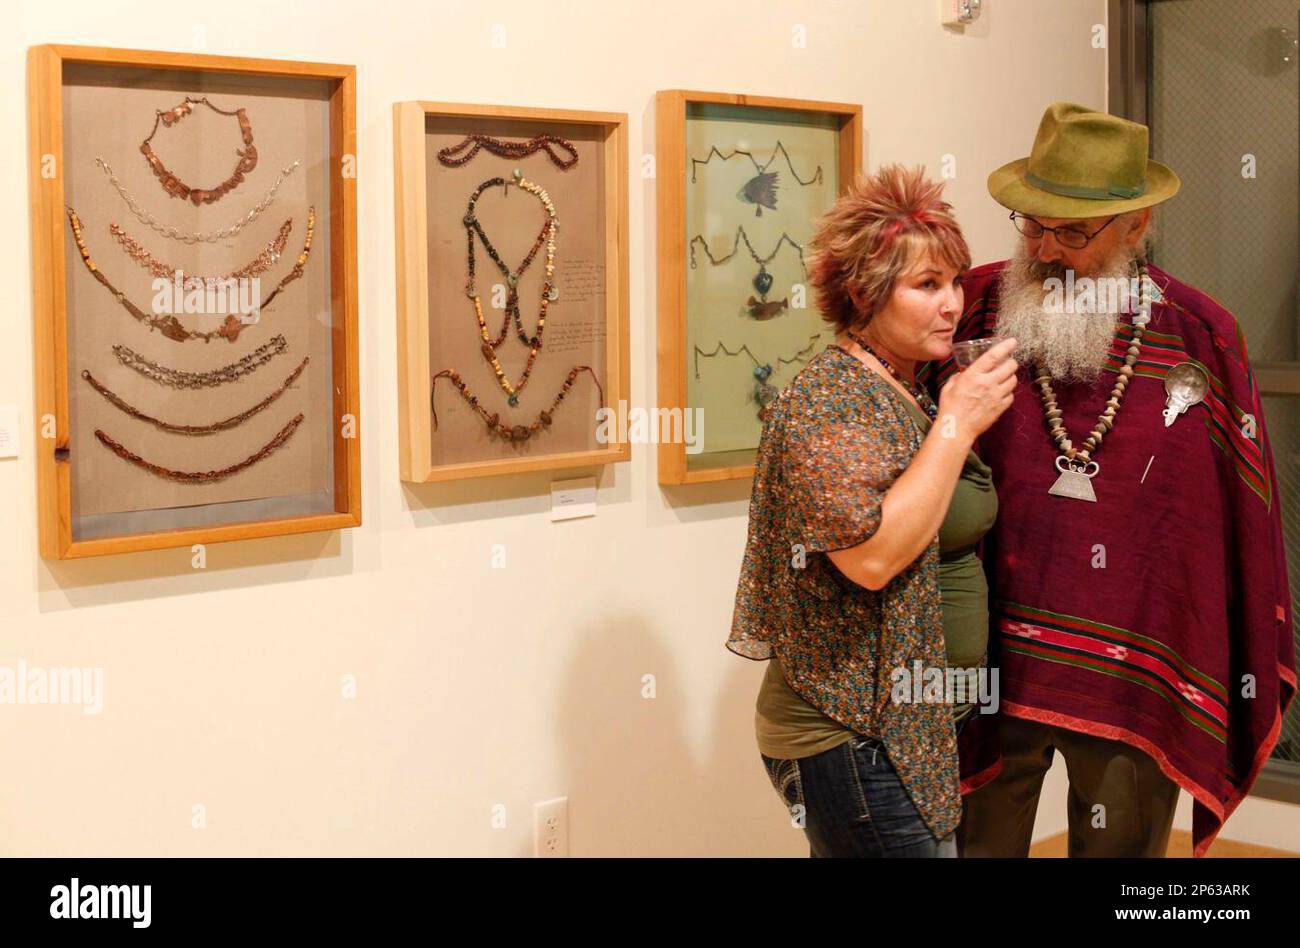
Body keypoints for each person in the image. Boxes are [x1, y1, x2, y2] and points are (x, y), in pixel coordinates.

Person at [920, 102, 1296, 857]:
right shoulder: (975, 309)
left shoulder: (1201, 335)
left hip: (1136, 669)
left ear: (1137, 224)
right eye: (1032, 224)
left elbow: (1226, 518)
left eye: (1073, 231)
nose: (1049, 249)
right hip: (987, 662)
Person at [728, 164, 1018, 857]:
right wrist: (956, 425)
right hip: (850, 734)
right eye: (926, 285)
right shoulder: (829, 398)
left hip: (899, 729)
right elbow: (874, 559)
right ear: (864, 291)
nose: (952, 303)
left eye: (954, 281)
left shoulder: (901, 385)